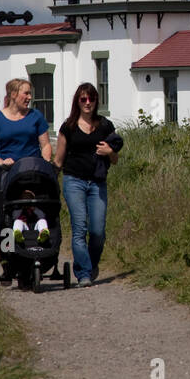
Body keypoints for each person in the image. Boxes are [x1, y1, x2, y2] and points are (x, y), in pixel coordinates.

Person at [53, 82, 123, 287]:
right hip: (74, 180)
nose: (88, 103)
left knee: (98, 231)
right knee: (79, 228)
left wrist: (110, 152)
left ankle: (91, 265)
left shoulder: (105, 126)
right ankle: (83, 273)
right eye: (83, 99)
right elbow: (59, 159)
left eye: (91, 98)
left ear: (96, 101)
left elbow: (115, 159)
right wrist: (49, 175)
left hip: (97, 183)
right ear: (77, 101)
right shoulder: (68, 127)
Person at [0, 78, 52, 282]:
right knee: (4, 220)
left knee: (32, 214)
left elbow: (45, 144)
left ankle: (31, 258)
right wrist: (1, 162)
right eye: (26, 93)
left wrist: (46, 160)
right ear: (13, 95)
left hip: (31, 175)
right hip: (5, 176)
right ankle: (8, 262)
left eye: (30, 94)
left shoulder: (36, 117)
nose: (29, 98)